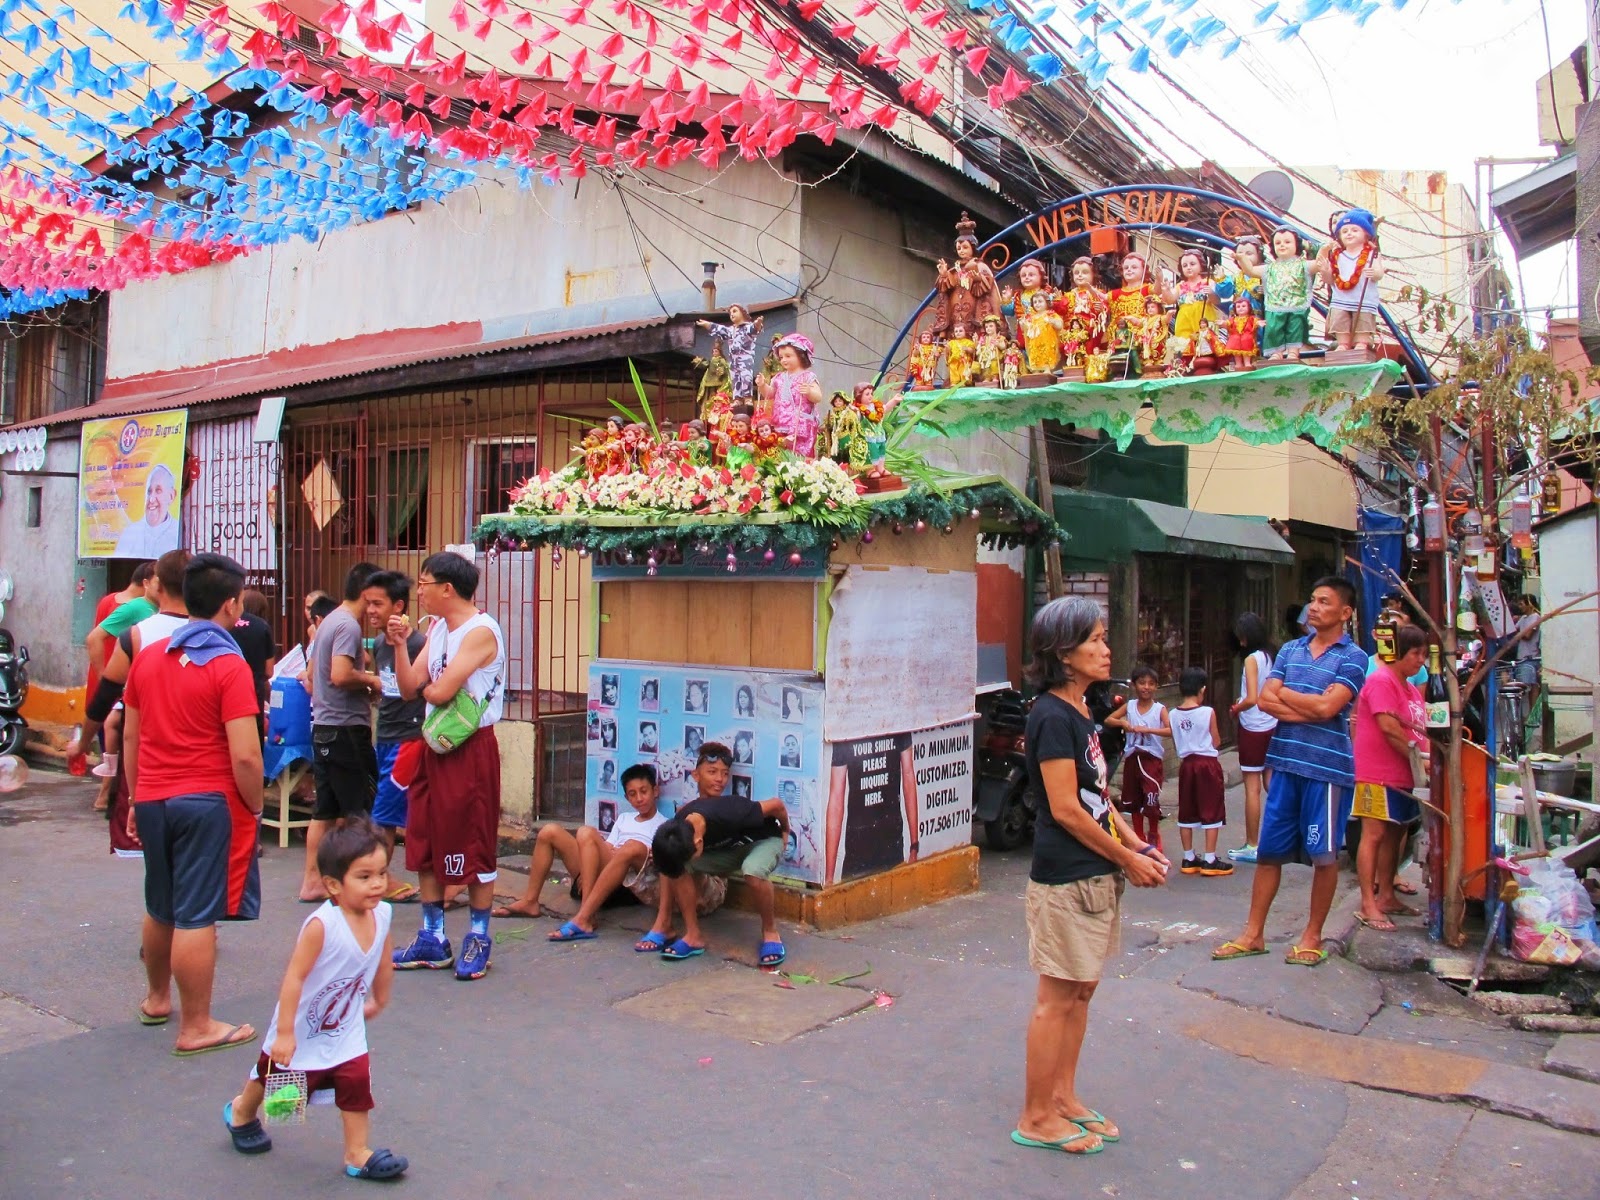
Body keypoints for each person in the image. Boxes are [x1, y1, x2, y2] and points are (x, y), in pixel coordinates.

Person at [1014, 597, 1168, 1158]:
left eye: (1105, 638)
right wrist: (1129, 859)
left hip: (1098, 873)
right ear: (1063, 653)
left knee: (1081, 992)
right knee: (1056, 998)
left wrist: (1136, 845)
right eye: (1095, 641)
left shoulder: (1082, 711)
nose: (1107, 650)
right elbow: (1066, 811)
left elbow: (1097, 797)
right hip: (1066, 879)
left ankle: (1063, 1096)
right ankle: (1035, 1115)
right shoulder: (1051, 716)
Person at [122, 552, 263, 1055]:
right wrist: (255, 806)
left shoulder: (150, 656)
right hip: (205, 800)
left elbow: (131, 738)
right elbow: (246, 755)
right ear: (231, 604)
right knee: (196, 913)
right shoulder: (228, 665)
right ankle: (196, 1024)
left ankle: (158, 999)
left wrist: (137, 799)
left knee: (160, 904)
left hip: (155, 797)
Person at [222, 819, 407, 1181]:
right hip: (302, 1024)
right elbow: (294, 978)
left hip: (346, 1023)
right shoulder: (322, 925)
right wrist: (286, 1033)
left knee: (355, 1080)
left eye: (382, 873)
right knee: (281, 1081)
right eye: (364, 876)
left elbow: (383, 958)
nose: (377, 884)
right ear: (334, 885)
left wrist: (381, 997)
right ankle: (241, 1110)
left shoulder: (382, 913)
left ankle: (357, 1153)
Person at [1213, 577, 1367, 968]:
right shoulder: (1290, 649)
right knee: (1269, 853)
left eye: (1324, 602)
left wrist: (1298, 701)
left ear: (1345, 613)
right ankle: (1253, 933)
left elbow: (1328, 709)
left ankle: (1312, 936)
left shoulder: (1353, 657)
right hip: (1284, 763)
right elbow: (1265, 699)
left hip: (1326, 770)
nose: (1313, 608)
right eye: (1312, 600)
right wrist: (1311, 704)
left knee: (1324, 856)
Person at [388, 551, 507, 981]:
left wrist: (428, 686)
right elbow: (409, 688)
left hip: (469, 747)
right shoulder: (437, 628)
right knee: (424, 835)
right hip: (433, 744)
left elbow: (440, 692)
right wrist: (401, 646)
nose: (417, 591)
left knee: (472, 836)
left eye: (423, 583)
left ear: (447, 589)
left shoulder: (480, 631)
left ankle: (478, 935)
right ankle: (432, 936)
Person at [73, 549, 194, 856]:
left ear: (158, 585)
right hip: (201, 772)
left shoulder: (137, 636)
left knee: (157, 873)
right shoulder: (214, 635)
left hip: (150, 763)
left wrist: (83, 741)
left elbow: (104, 699)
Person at [650, 743, 789, 966]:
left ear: (699, 842)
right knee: (680, 865)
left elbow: (777, 806)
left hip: (762, 841)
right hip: (730, 850)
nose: (719, 779)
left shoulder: (730, 809)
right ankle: (693, 936)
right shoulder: (683, 819)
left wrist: (785, 832)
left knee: (752, 871)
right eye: (712, 772)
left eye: (724, 774)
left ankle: (770, 932)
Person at [301, 563, 383, 903]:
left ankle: (312, 882)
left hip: (323, 727)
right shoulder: (347, 624)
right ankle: (358, 879)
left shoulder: (329, 620)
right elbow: (339, 674)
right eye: (377, 598)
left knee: (324, 810)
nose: (377, 607)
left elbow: (313, 675)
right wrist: (373, 681)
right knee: (358, 810)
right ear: (366, 593)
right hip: (345, 728)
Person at [539, 763, 678, 944]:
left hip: (629, 883)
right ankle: (540, 903)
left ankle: (585, 915)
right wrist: (612, 852)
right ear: (627, 797)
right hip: (604, 871)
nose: (639, 798)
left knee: (620, 845)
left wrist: (623, 851)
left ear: (655, 791)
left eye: (644, 791)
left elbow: (652, 863)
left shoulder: (664, 825)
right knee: (568, 831)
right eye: (632, 794)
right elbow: (607, 847)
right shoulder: (623, 819)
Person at [1351, 624, 1429, 931]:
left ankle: (1386, 895)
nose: (1421, 660)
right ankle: (1368, 904)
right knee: (1373, 835)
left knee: (1396, 834)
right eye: (1415, 653)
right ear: (1398, 653)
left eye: (1424, 654)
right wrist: (1419, 757)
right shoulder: (1382, 681)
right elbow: (1388, 727)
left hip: (1404, 774)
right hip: (1377, 773)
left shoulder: (1408, 687)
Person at [361, 571, 426, 898]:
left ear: (398, 605)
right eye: (367, 603)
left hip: (408, 739)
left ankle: (379, 880)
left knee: (384, 815)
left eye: (378, 604)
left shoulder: (418, 644)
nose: (370, 610)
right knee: (394, 813)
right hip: (384, 736)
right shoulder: (377, 642)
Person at [83, 561, 157, 807]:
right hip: (126, 685)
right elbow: (95, 637)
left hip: (144, 686)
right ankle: (108, 791)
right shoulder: (133, 607)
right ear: (146, 583)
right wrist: (104, 673)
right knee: (115, 727)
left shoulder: (163, 610)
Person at [824, 731, 917, 883]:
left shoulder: (897, 719)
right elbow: (836, 800)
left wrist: (914, 847)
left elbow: (909, 776)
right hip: (857, 856)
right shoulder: (846, 725)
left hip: (892, 851)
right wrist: (829, 877)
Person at [1228, 613, 1278, 863]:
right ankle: (1281, 837)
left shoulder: (1251, 660)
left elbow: (1251, 699)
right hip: (1272, 723)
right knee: (1272, 783)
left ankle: (1253, 843)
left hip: (1253, 726)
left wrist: (1236, 708)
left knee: (1252, 788)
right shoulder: (1272, 656)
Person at [1172, 668, 1230, 876]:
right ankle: (1210, 858)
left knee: (1187, 809)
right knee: (1211, 809)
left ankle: (1188, 858)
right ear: (1202, 689)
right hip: (1206, 764)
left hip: (1186, 765)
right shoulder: (1207, 712)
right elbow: (1215, 740)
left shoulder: (1173, 714)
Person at [1105, 666, 1168, 851]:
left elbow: (1171, 730)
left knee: (1151, 797)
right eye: (1141, 683)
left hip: (1151, 759)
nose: (1146, 687)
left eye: (1150, 684)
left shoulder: (1159, 709)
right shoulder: (1130, 706)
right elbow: (1109, 720)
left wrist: (1149, 730)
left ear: (1156, 687)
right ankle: (1139, 835)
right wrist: (1123, 723)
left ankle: (1154, 833)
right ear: (1134, 685)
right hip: (1133, 756)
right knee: (1133, 798)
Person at [230, 589, 278, 735]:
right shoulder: (261, 626)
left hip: (227, 694)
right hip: (252, 696)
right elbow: (268, 671)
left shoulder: (225, 624)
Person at [112, 464, 181, 558]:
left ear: (171, 496)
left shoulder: (178, 531)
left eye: (158, 490)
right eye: (149, 491)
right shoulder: (130, 532)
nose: (151, 499)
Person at [1514, 594, 1541, 702]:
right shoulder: (1524, 618)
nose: (1520, 607)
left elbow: (1527, 635)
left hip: (1530, 657)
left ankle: (1532, 714)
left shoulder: (1535, 617)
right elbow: (1514, 630)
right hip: (1522, 656)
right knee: (1526, 686)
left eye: (1521, 604)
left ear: (1529, 604)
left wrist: (1518, 635)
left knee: (1532, 686)